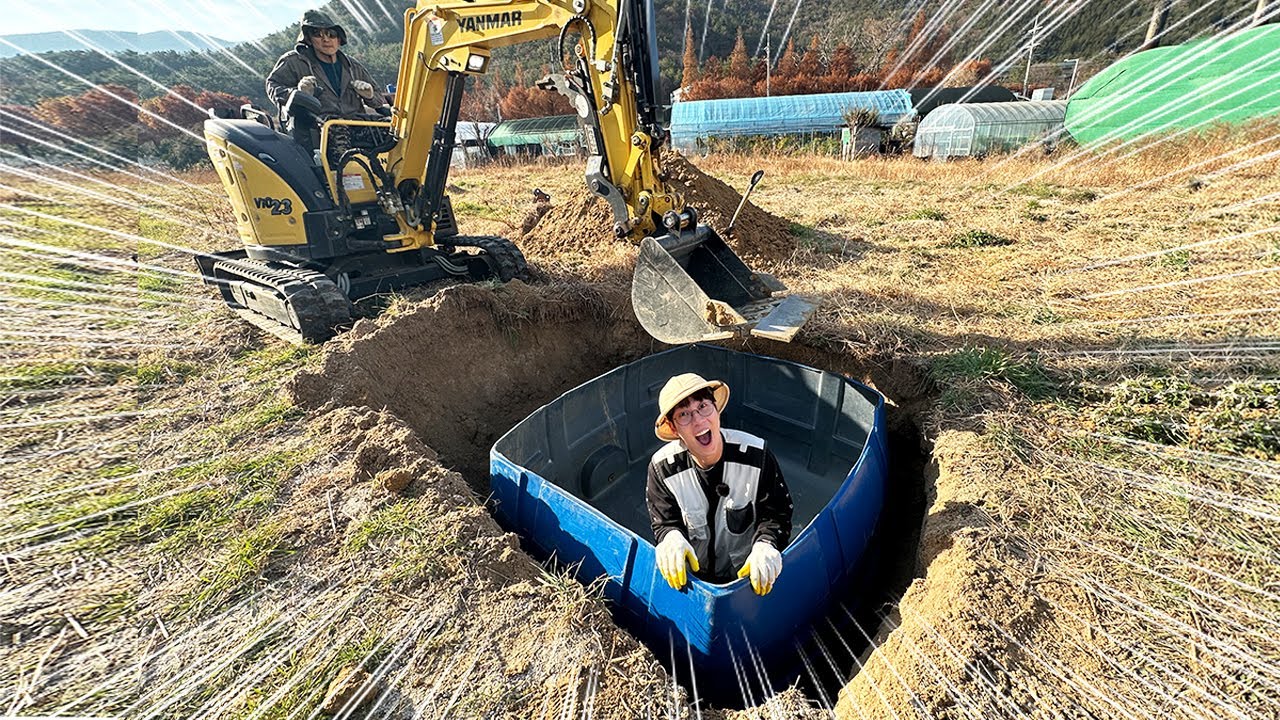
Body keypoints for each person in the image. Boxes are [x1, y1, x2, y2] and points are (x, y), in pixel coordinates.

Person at [646, 373, 793, 595]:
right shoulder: (662, 468)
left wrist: (766, 544)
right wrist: (670, 537)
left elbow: (777, 514)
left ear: (716, 409)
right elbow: (665, 522)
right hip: (694, 583)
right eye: (684, 414)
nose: (698, 421)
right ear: (674, 429)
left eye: (703, 406)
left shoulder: (757, 456)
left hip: (746, 578)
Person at [265, 10, 388, 120]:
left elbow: (378, 102)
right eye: (317, 34)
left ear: (339, 39)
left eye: (331, 33)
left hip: (357, 127)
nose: (326, 39)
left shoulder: (353, 66)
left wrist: (370, 96)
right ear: (308, 39)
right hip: (316, 129)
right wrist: (298, 94)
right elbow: (273, 86)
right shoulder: (293, 62)